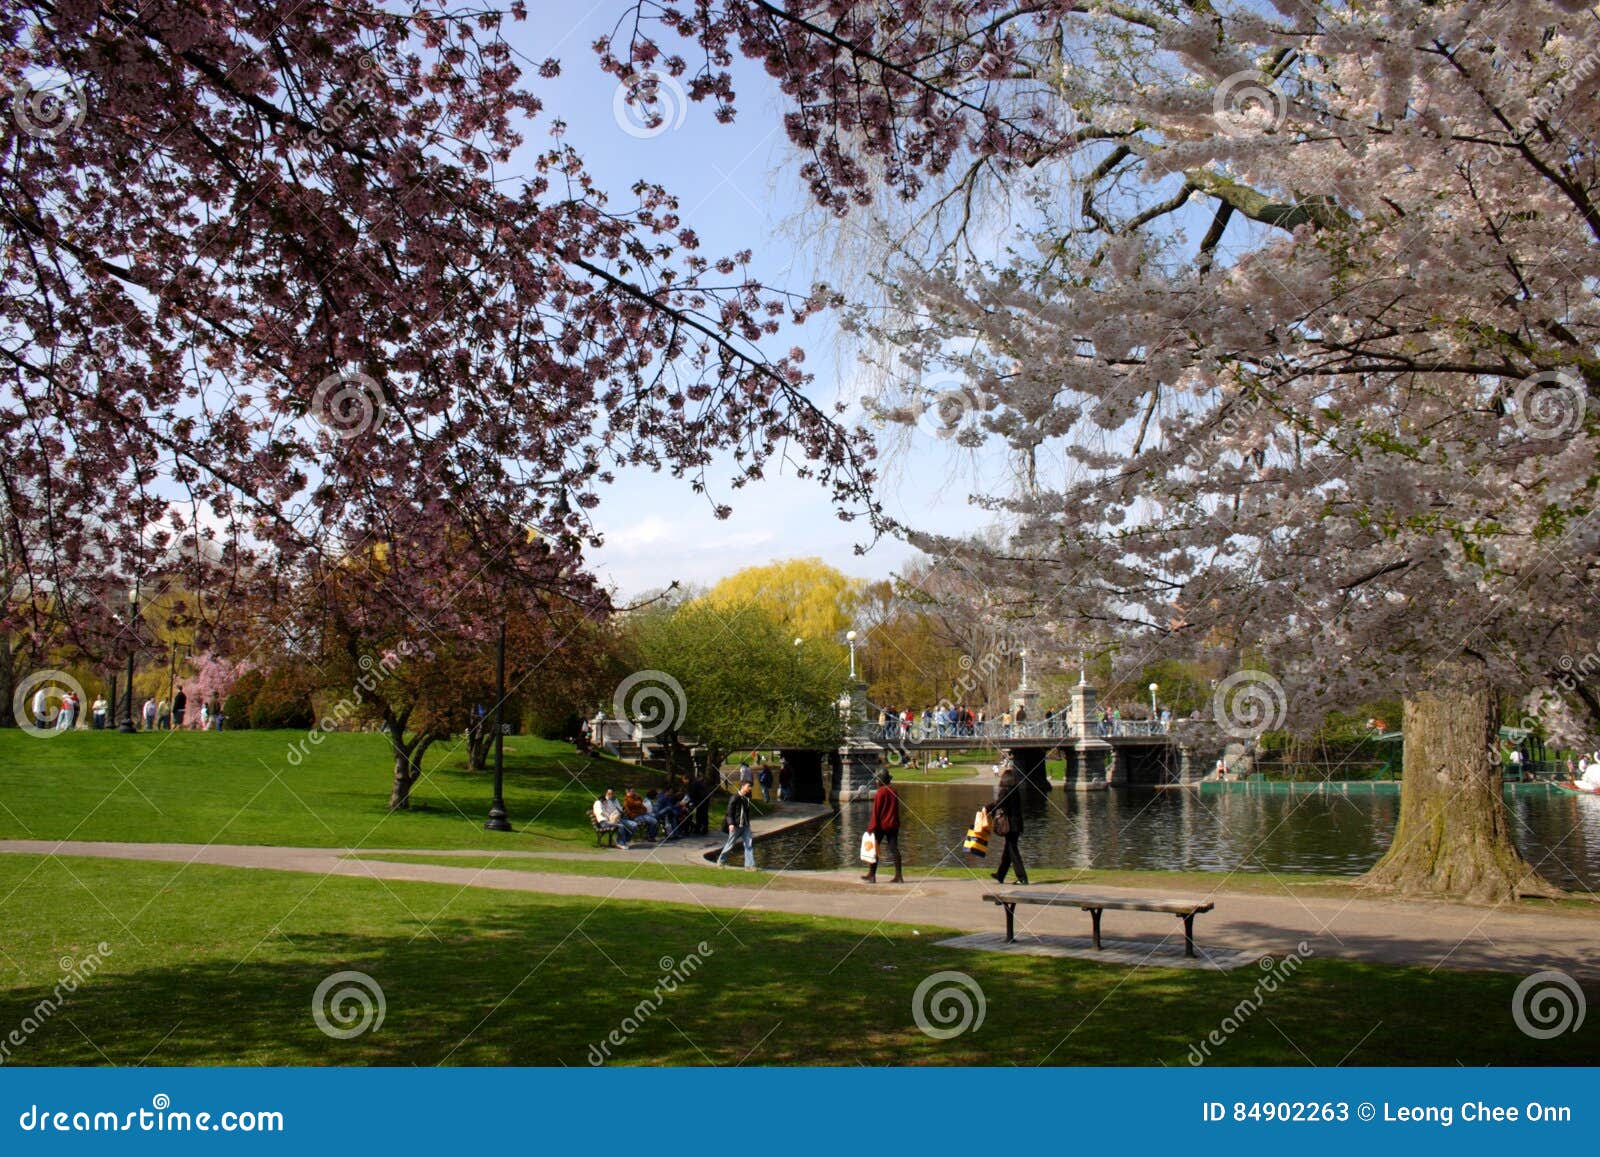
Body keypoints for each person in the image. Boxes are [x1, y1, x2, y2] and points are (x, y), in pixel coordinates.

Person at [989, 761, 1029, 885]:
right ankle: (1000, 875)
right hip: (1017, 824)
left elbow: (999, 803)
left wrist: (987, 808)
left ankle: (1022, 877)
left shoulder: (1005, 791)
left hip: (1010, 825)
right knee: (1008, 849)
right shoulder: (1015, 791)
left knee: (1013, 850)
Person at [861, 769, 903, 884]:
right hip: (893, 824)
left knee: (873, 849)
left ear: (880, 780)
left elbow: (876, 812)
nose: (876, 782)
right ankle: (899, 876)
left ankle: (872, 875)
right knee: (894, 849)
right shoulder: (894, 791)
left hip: (881, 825)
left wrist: (871, 828)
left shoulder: (881, 792)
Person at [715, 781, 755, 870]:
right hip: (736, 826)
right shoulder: (734, 798)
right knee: (730, 844)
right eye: (748, 786)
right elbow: (729, 812)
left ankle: (750, 865)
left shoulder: (747, 798)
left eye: (751, 787)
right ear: (743, 786)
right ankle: (721, 861)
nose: (750, 788)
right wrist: (731, 824)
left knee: (748, 845)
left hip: (746, 826)